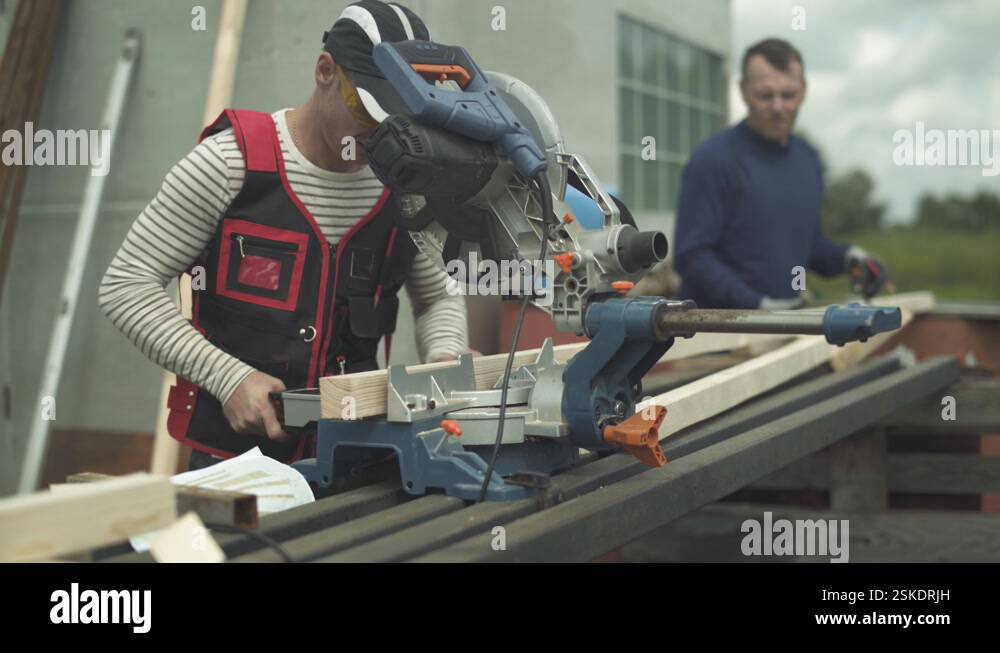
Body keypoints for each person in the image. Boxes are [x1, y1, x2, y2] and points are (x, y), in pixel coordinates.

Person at [99, 1, 468, 469]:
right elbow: (126, 286)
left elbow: (439, 298)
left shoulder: (408, 186)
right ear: (324, 71)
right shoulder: (229, 164)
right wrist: (226, 377)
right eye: (366, 108)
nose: (377, 133)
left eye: (397, 118)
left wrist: (444, 362)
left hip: (360, 459)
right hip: (237, 467)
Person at [673, 38, 887, 309]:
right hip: (717, 338)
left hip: (783, 329)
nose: (777, 107)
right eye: (765, 95)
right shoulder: (713, 160)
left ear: (804, 91)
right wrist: (758, 305)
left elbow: (805, 246)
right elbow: (692, 257)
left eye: (788, 95)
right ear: (743, 91)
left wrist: (849, 258)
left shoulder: (807, 159)